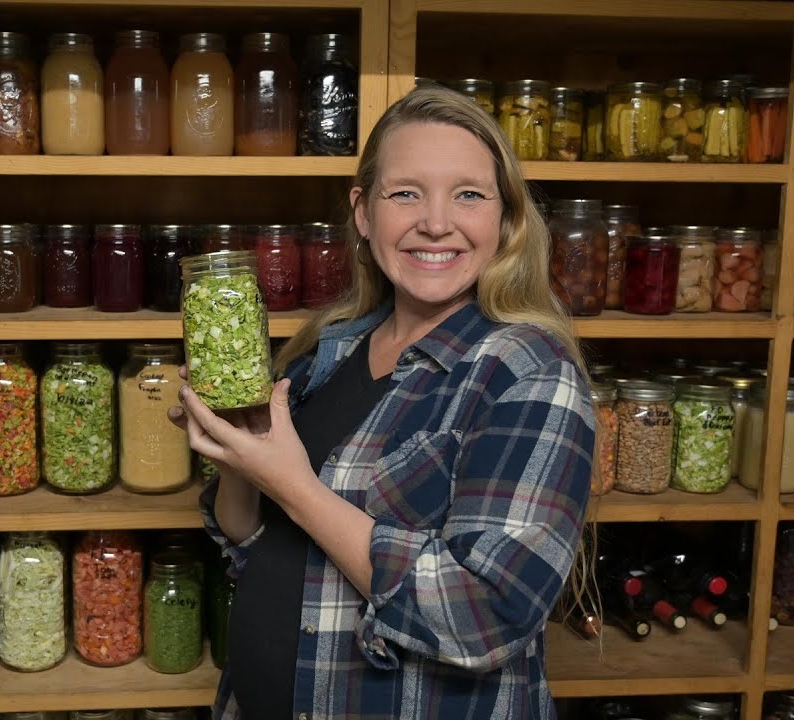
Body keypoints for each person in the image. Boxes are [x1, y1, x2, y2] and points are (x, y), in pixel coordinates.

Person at [169, 85, 595, 719]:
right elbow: (256, 541)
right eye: (406, 193)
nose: (436, 222)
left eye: (469, 194)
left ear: (505, 220)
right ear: (364, 213)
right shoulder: (330, 349)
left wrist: (293, 486)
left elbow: (487, 615)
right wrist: (238, 460)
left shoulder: (529, 374)